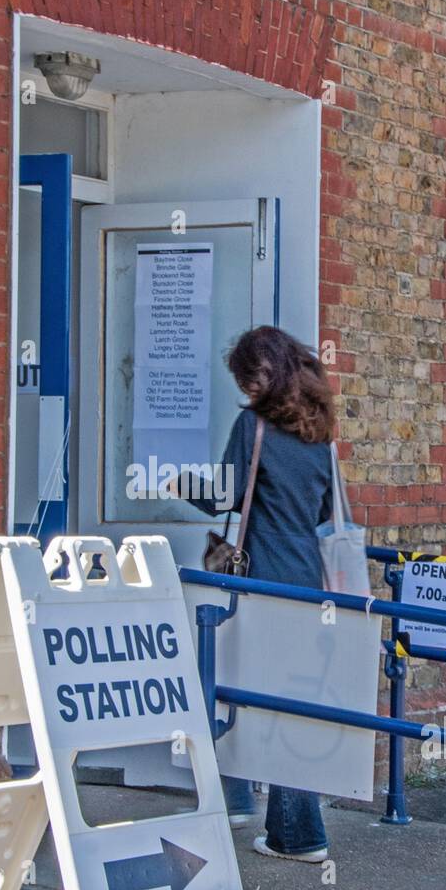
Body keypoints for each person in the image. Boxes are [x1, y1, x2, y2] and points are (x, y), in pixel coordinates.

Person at [187, 326, 336, 863]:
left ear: (260, 375)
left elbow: (220, 496)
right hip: (308, 586)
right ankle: (269, 820)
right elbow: (321, 514)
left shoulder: (252, 428)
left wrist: (162, 477)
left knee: (242, 693)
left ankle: (297, 833)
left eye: (245, 377)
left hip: (260, 583)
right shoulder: (318, 437)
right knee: (285, 701)